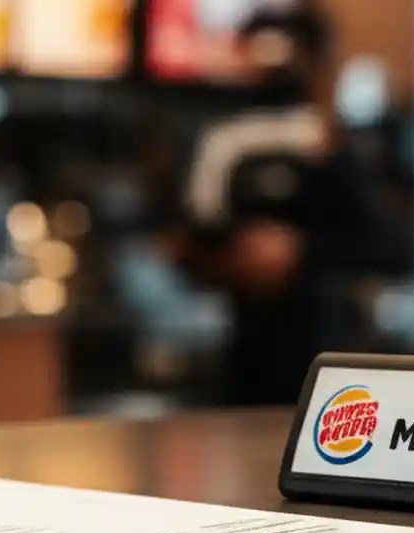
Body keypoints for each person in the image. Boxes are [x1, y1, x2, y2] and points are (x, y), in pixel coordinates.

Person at [165, 4, 389, 405]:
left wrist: (299, 251)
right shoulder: (222, 141)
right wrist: (233, 259)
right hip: (240, 358)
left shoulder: (331, 145)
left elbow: (387, 248)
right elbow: (184, 241)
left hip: (326, 360)